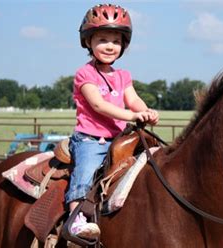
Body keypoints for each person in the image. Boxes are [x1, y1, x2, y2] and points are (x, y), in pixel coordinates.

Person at [65, 3, 159, 240]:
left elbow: (133, 99)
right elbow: (98, 105)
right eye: (103, 39)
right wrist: (132, 116)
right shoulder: (84, 74)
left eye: (116, 41)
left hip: (119, 139)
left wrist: (146, 111)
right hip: (91, 140)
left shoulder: (123, 76)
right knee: (85, 172)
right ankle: (75, 217)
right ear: (88, 42)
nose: (110, 46)